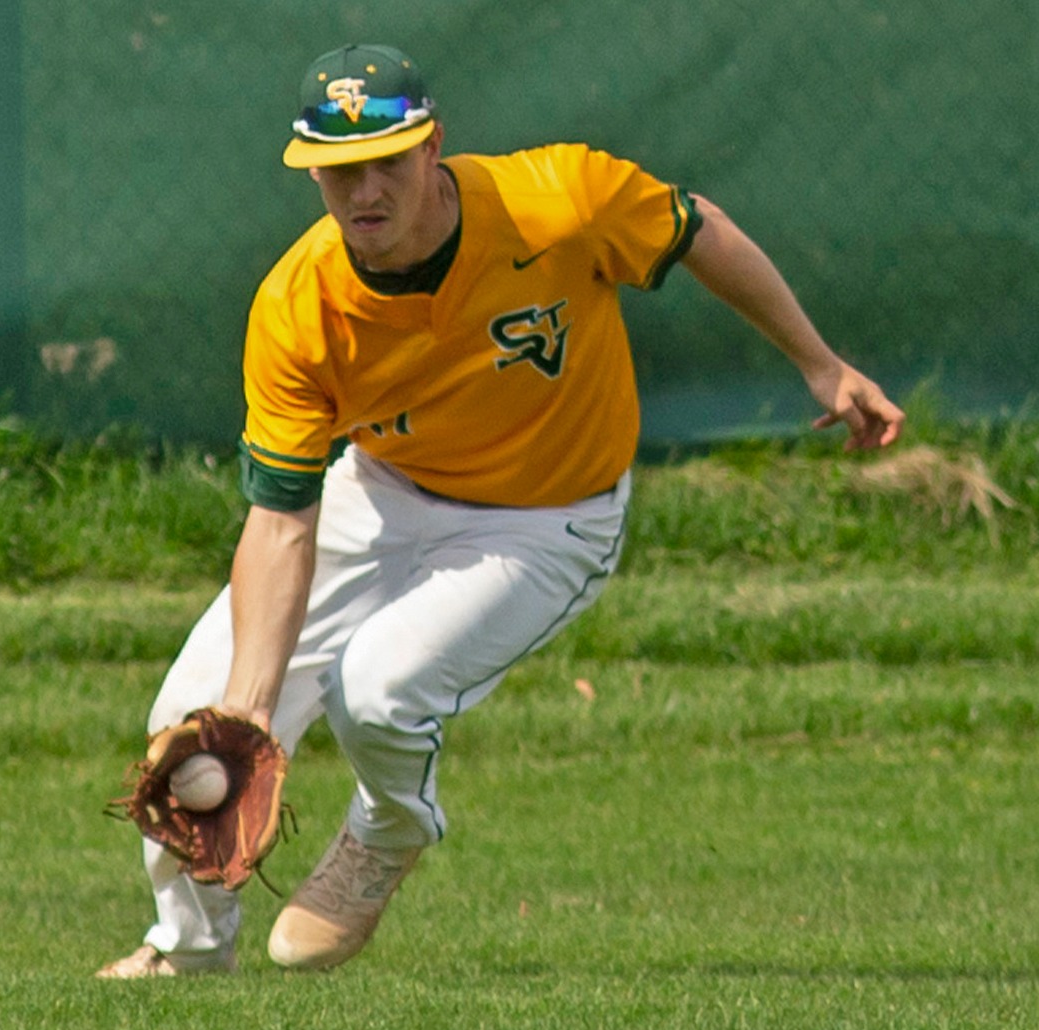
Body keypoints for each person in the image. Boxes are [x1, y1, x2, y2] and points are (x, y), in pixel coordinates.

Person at [96, 43, 902, 978]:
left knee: (381, 691)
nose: (363, 193)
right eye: (337, 171)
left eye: (386, 162)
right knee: (186, 715)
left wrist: (818, 360)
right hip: (387, 491)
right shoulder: (298, 305)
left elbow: (699, 231)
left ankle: (387, 831)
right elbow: (280, 522)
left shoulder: (557, 199)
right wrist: (247, 710)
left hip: (547, 516)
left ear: (433, 146)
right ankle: (189, 951)